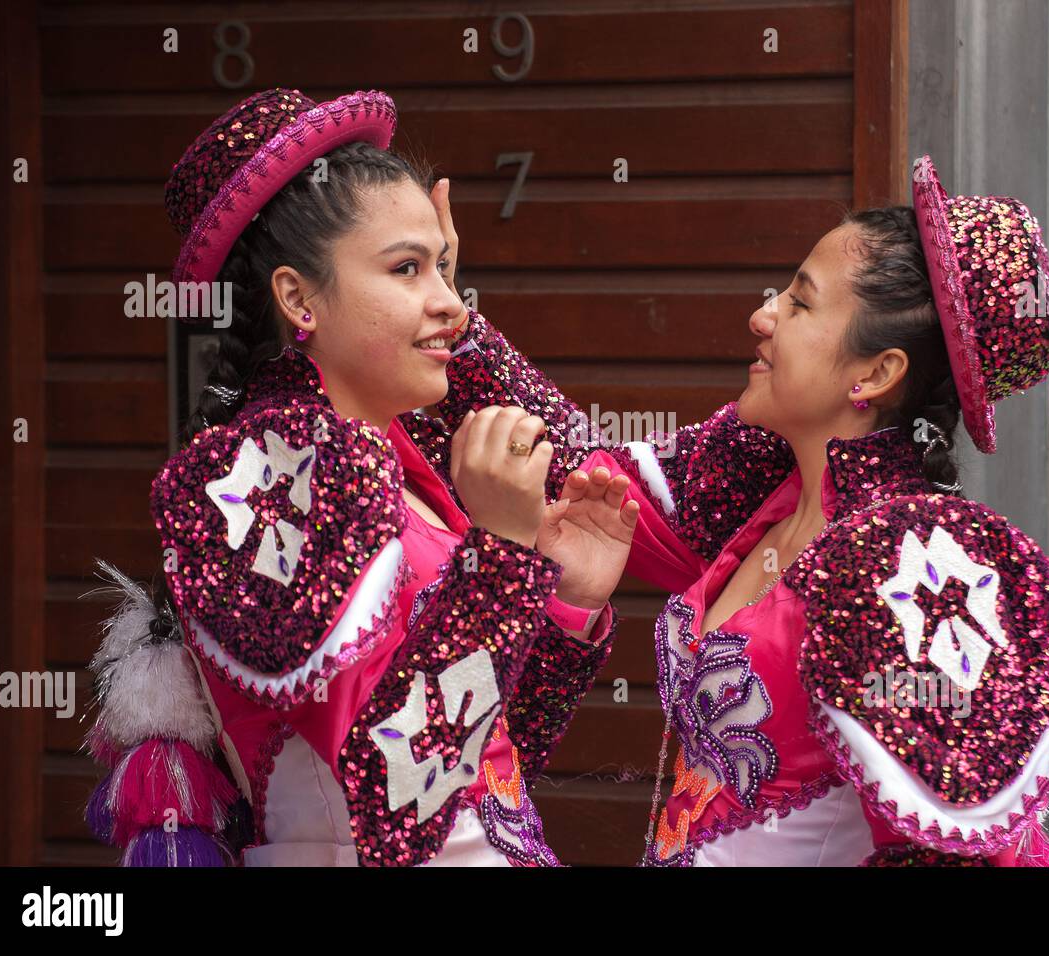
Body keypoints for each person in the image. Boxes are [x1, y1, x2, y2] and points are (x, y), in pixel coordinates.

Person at [435, 155, 1049, 865]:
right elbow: (596, 480)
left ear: (876, 373)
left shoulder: (911, 559)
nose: (761, 316)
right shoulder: (768, 479)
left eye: (798, 304)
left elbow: (953, 847)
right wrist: (452, 330)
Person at [82, 88, 638, 867]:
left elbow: (483, 771)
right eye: (408, 268)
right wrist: (505, 556)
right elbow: (392, 797)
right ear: (298, 297)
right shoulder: (266, 478)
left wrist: (569, 603)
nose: (453, 304)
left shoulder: (398, 467)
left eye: (445, 266)